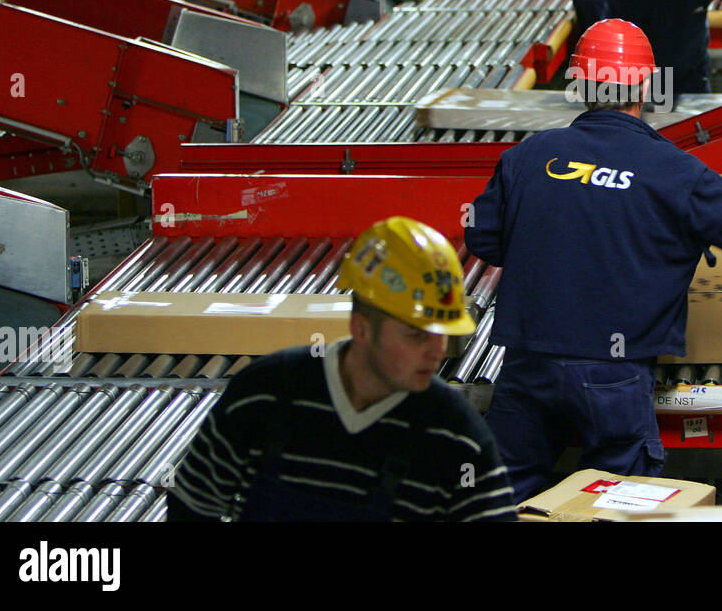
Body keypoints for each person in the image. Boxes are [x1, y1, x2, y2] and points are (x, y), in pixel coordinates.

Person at [465, 18, 722, 501]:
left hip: (526, 364)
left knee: (505, 498)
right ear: (644, 83)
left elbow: (484, 238)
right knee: (613, 501)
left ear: (577, 83)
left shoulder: (530, 155)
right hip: (614, 376)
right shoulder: (675, 173)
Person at [167, 217, 518, 522]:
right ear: (361, 328)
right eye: (416, 335)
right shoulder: (263, 395)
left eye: (442, 333)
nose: (437, 351)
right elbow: (191, 507)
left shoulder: (455, 433)